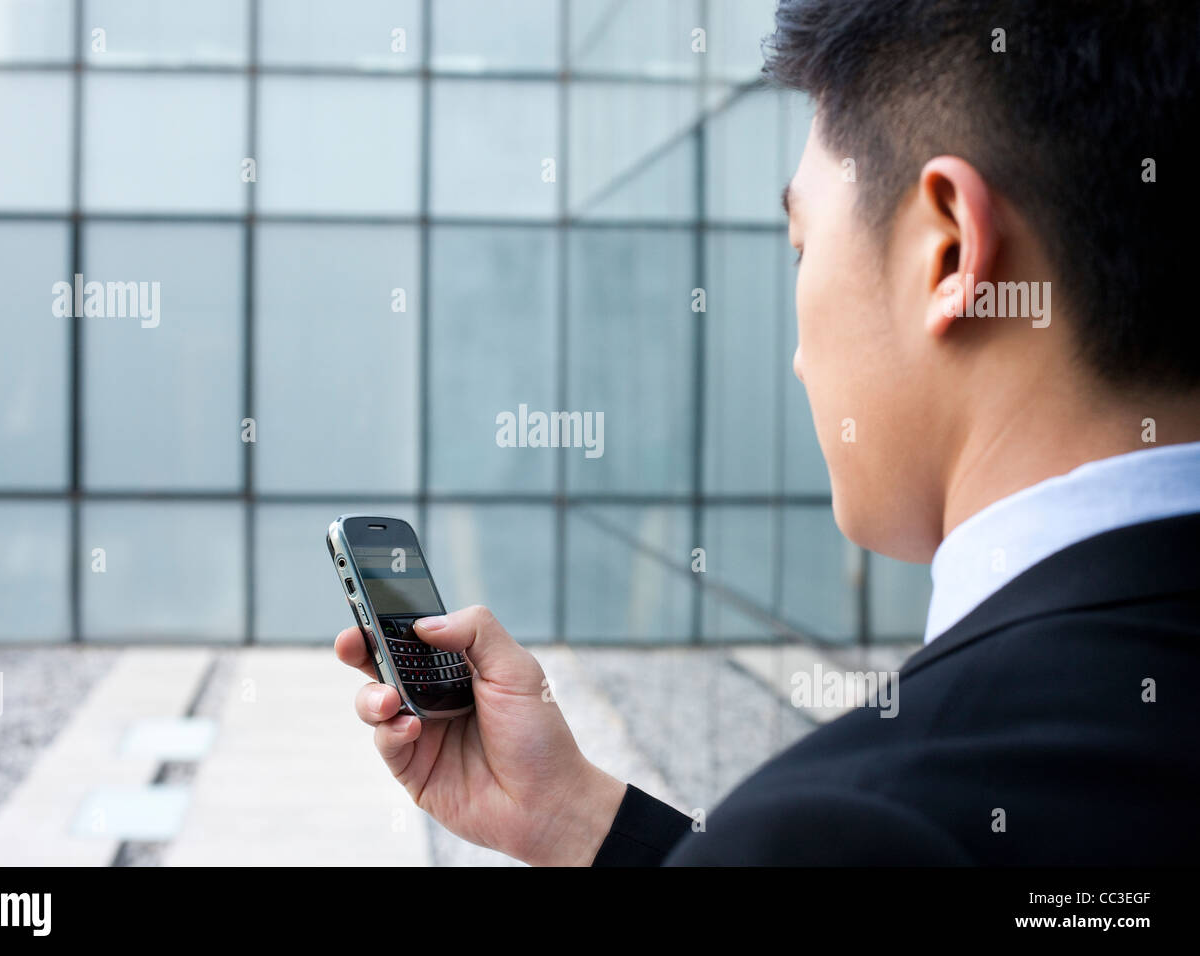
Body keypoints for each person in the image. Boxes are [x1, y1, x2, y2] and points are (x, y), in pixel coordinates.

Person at [335, 0, 1200, 865]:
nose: (796, 361)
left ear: (946, 252)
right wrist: (572, 817)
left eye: (801, 244)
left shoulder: (858, 823)